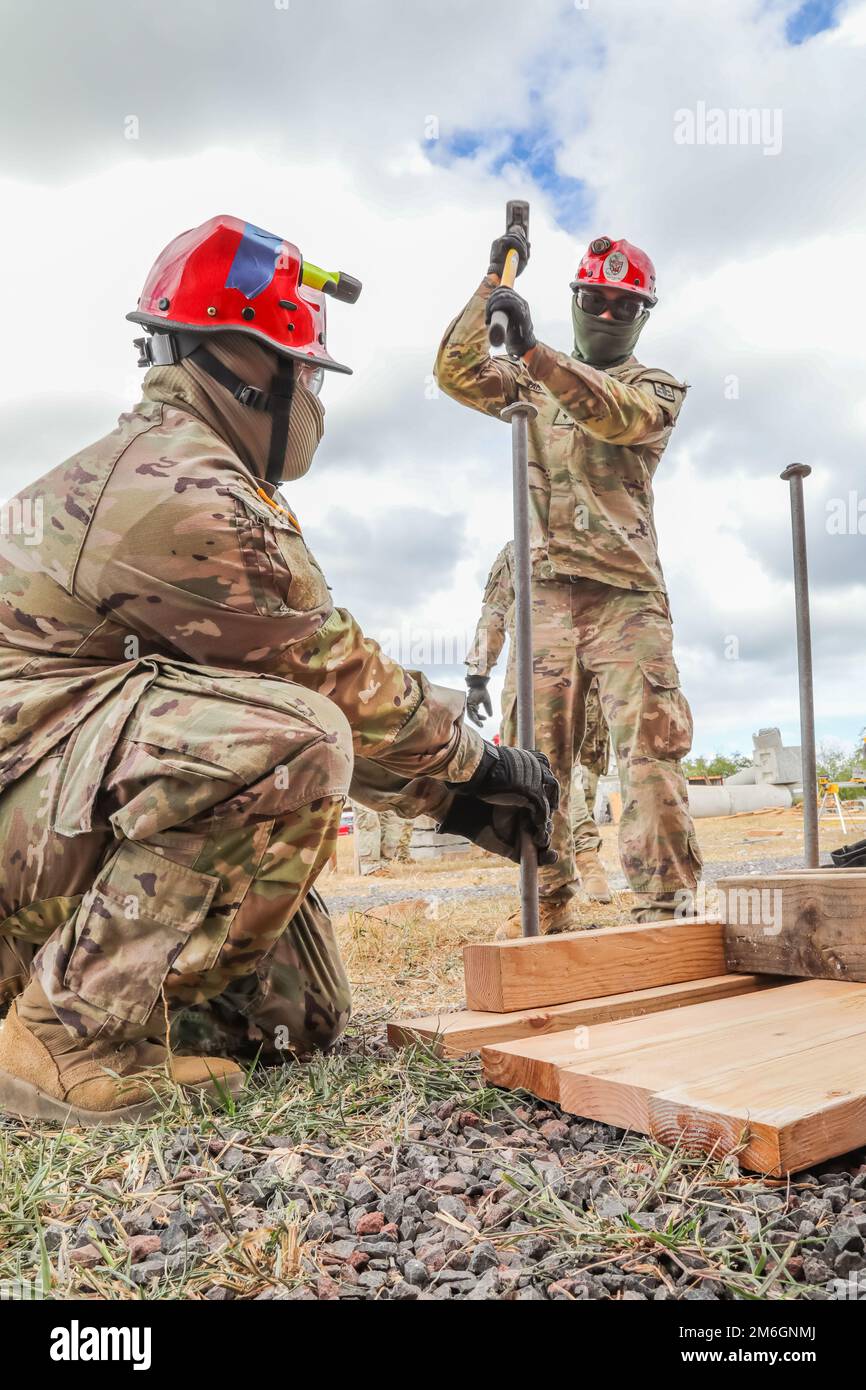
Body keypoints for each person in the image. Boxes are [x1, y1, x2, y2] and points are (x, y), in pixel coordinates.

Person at [0, 214, 558, 1125]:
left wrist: (449, 805)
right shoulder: (180, 492)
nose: (315, 406)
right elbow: (330, 686)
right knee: (294, 738)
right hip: (23, 814)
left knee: (295, 1017)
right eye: (309, 376)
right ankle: (67, 1037)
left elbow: (297, 680)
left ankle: (83, 997)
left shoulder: (189, 467)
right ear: (252, 367)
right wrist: (476, 766)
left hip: (41, 810)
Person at [436, 231, 701, 933]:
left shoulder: (656, 388)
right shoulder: (527, 384)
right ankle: (549, 907)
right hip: (546, 594)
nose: (608, 313)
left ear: (642, 316)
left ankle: (666, 913)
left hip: (625, 598)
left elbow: (617, 415)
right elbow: (457, 372)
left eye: (624, 305)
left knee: (648, 753)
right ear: (577, 302)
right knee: (534, 762)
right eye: (596, 301)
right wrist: (492, 280)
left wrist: (532, 352)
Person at [465, 540, 612, 902]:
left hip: (592, 672)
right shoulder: (518, 549)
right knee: (543, 776)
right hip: (538, 672)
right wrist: (478, 675)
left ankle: (585, 862)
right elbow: (495, 612)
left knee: (575, 778)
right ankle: (567, 878)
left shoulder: (596, 529)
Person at [352, 802, 413, 873]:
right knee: (368, 819)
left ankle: (384, 865)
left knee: (393, 822)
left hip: (390, 793)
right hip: (365, 793)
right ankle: (370, 869)